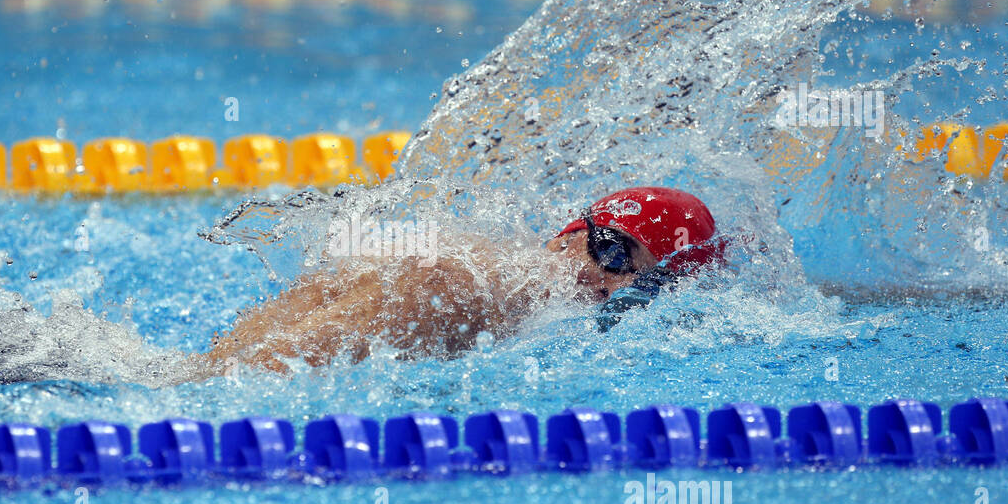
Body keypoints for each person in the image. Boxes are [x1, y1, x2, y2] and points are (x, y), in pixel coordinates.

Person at [187, 186, 718, 377]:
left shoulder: (480, 271)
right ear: (569, 234)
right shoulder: (461, 287)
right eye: (610, 251)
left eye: (644, 286)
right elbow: (246, 380)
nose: (610, 284)